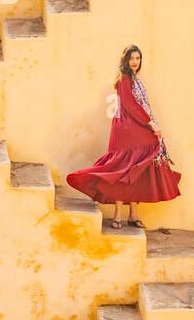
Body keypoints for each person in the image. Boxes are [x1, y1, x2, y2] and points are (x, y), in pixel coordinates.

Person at [66, 43, 181, 228]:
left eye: (138, 58)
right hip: (127, 132)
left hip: (135, 129)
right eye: (132, 58)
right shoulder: (124, 79)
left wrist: (151, 125)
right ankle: (118, 215)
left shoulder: (136, 79)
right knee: (122, 171)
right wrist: (150, 123)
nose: (135, 61)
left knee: (136, 171)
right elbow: (130, 105)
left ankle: (133, 214)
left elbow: (141, 106)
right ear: (125, 60)